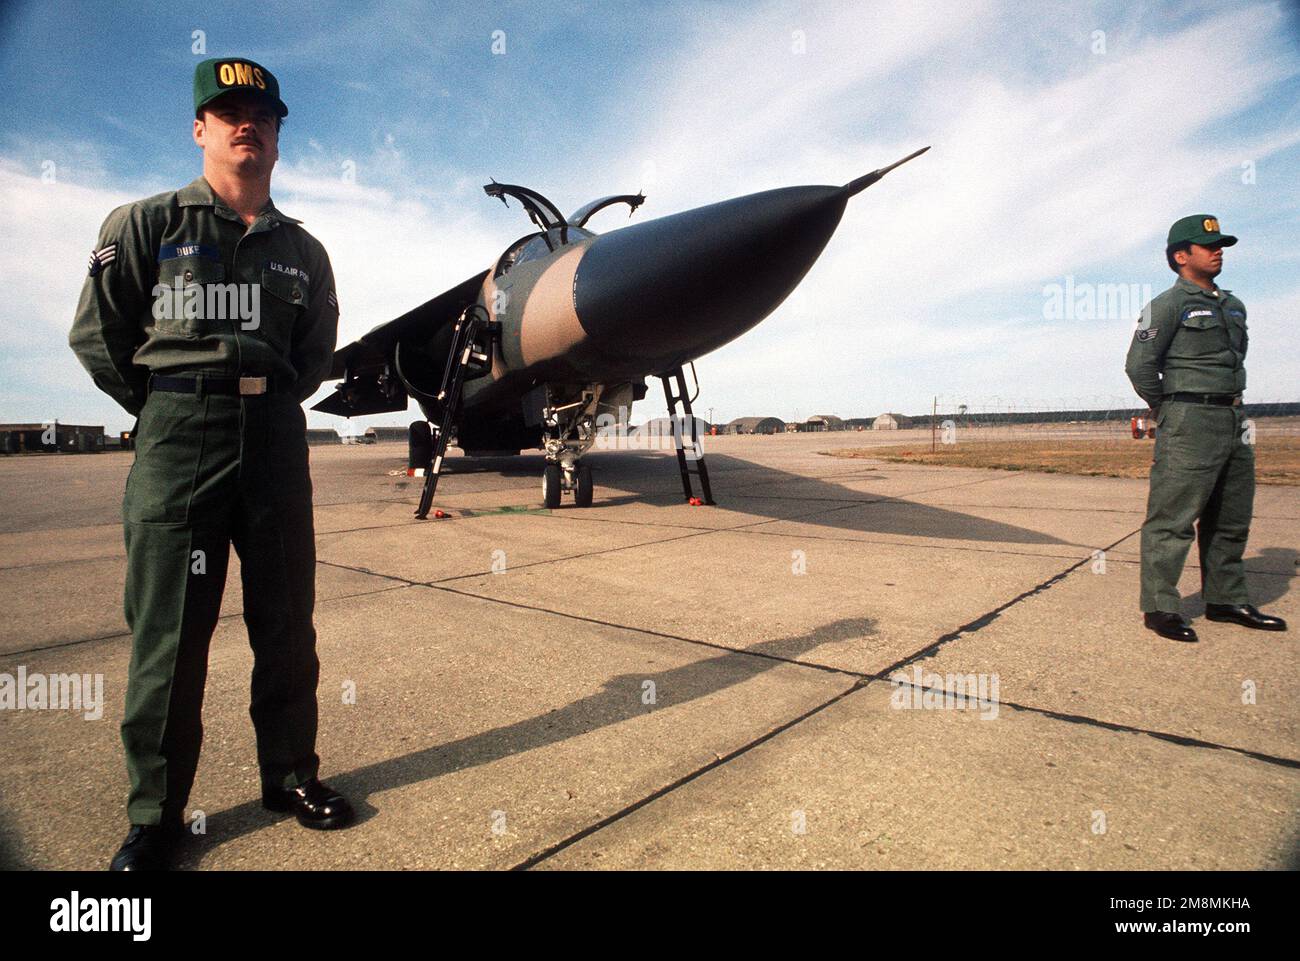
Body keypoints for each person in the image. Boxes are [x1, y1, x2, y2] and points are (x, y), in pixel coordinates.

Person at [70, 57, 353, 870]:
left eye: (262, 114)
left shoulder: (305, 251)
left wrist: (260, 402)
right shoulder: (146, 225)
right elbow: (100, 337)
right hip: (177, 438)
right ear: (200, 128)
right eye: (228, 111)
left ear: (276, 133)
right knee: (169, 638)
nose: (246, 124)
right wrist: (169, 403)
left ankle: (292, 775)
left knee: (287, 624)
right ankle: (156, 816)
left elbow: (312, 354)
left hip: (272, 441)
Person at [1125, 215, 1287, 643]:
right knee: (1172, 518)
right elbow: (1140, 365)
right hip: (1188, 419)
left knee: (1231, 515)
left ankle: (1225, 599)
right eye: (1207, 245)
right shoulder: (1167, 305)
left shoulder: (1233, 305)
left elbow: (1237, 357)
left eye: (1221, 245)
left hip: (1233, 417)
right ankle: (1160, 607)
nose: (1218, 251)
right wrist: (1170, 410)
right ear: (1181, 256)